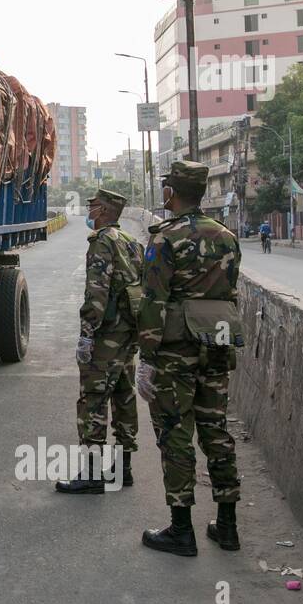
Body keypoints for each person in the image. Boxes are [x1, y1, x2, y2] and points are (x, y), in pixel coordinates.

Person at [136, 160, 244, 556]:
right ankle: (228, 526)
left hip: (176, 351)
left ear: (171, 193)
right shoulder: (227, 237)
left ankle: (182, 530)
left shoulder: (165, 240)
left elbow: (153, 301)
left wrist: (146, 358)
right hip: (217, 342)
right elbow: (229, 292)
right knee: (216, 429)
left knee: (175, 433)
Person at [56, 188, 144, 493]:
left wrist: (87, 335)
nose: (89, 213)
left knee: (92, 399)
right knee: (124, 395)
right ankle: (123, 469)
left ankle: (92, 474)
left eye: (92, 207)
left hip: (107, 333)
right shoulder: (131, 243)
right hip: (128, 333)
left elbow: (96, 293)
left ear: (105, 211)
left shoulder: (102, 241)